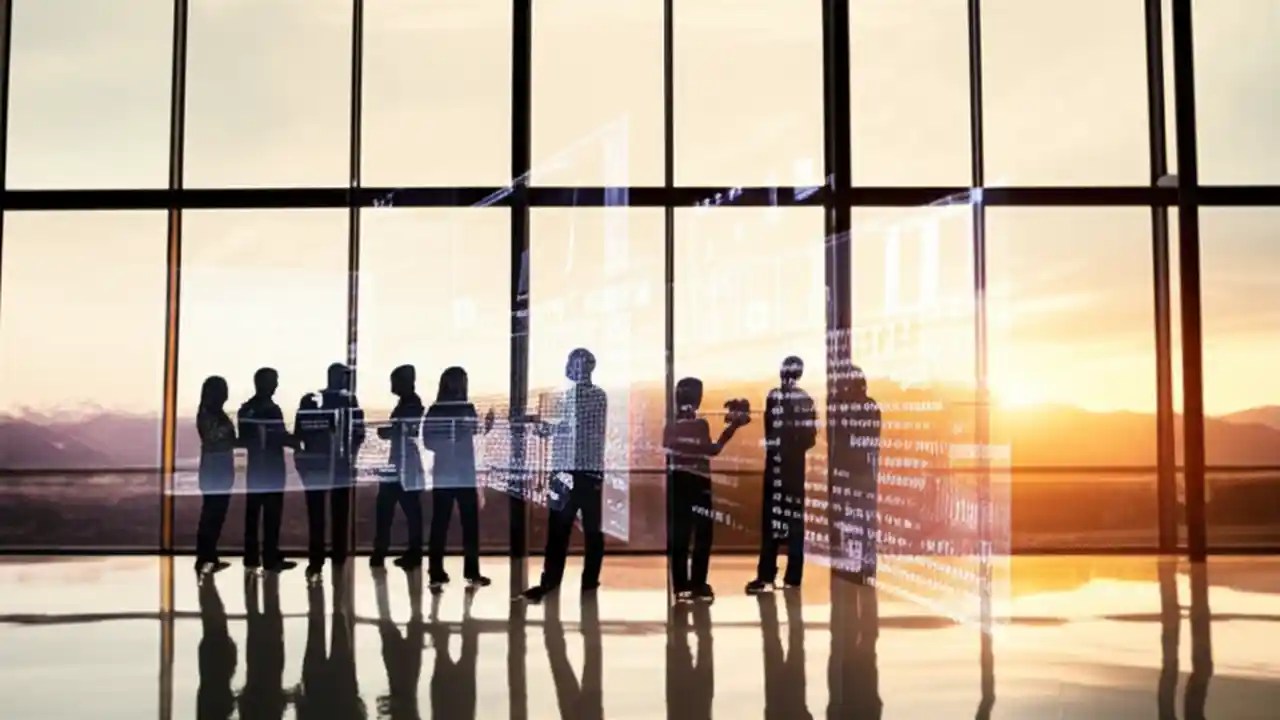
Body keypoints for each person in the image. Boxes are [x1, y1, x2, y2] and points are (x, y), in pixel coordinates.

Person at [521, 348, 608, 602]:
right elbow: (576, 431)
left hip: (569, 474)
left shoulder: (573, 397)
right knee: (591, 531)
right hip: (589, 474)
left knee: (559, 531)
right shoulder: (598, 397)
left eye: (571, 363)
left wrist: (541, 425)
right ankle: (589, 584)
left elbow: (570, 432)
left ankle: (550, 583)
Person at [663, 377, 748, 602]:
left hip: (677, 482)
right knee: (702, 534)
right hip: (698, 484)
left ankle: (681, 585)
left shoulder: (669, 426)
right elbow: (713, 450)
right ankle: (698, 583)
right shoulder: (700, 425)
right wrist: (732, 427)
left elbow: (671, 453)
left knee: (679, 535)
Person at [747, 356, 817, 594]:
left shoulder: (773, 396)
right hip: (794, 469)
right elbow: (810, 437)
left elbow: (770, 431)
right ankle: (793, 577)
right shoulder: (806, 400)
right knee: (794, 522)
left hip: (776, 467)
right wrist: (794, 448)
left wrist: (779, 447)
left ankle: (766, 575)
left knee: (772, 522)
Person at [422, 366, 495, 592]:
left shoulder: (440, 409)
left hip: (453, 473)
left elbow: (430, 441)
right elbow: (430, 441)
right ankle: (463, 572)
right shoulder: (454, 409)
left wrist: (484, 426)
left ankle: (440, 572)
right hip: (459, 474)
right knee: (458, 524)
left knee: (445, 524)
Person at [294, 363, 366, 580]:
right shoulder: (349, 401)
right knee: (338, 515)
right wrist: (350, 456)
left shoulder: (313, 401)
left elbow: (300, 433)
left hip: (317, 467)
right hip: (338, 467)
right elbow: (358, 433)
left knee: (317, 516)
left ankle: (316, 562)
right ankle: (338, 559)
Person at [239, 367, 297, 573]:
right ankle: (270, 557)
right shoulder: (271, 410)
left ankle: (251, 557)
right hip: (272, 469)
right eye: (274, 380)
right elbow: (279, 437)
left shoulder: (246, 409)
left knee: (252, 515)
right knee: (271, 516)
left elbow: (245, 439)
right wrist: (300, 441)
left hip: (255, 468)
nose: (276, 385)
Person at [373, 364, 426, 569]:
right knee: (407, 509)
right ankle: (409, 552)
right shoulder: (409, 402)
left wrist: (388, 432)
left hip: (404, 463)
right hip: (403, 462)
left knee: (394, 508)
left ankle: (385, 551)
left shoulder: (411, 403)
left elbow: (406, 430)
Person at [196, 375, 237, 576]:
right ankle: (206, 557)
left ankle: (209, 556)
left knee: (214, 514)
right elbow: (218, 437)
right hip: (216, 468)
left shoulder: (211, 413)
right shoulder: (209, 415)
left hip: (217, 467)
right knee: (212, 514)